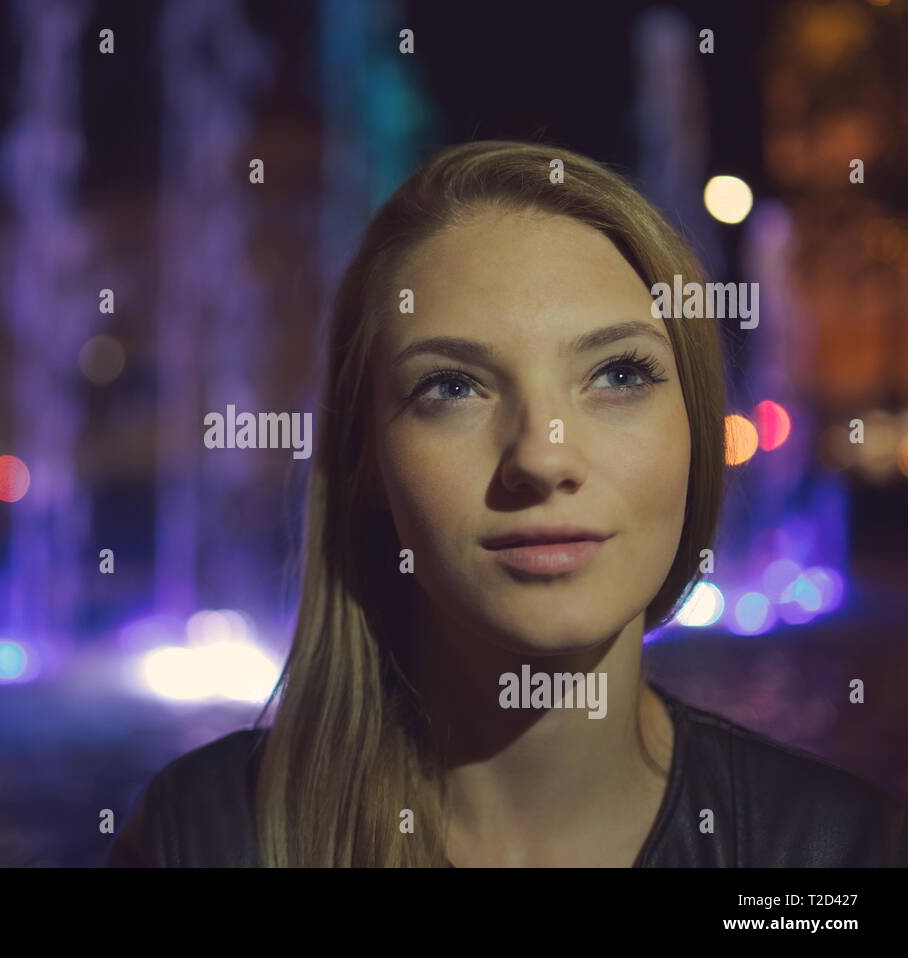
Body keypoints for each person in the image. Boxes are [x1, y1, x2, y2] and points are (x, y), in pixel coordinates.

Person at [106, 140, 907, 867]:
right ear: (365, 462)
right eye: (451, 387)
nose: (541, 456)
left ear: (694, 428)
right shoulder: (205, 839)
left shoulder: (832, 851)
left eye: (619, 375)